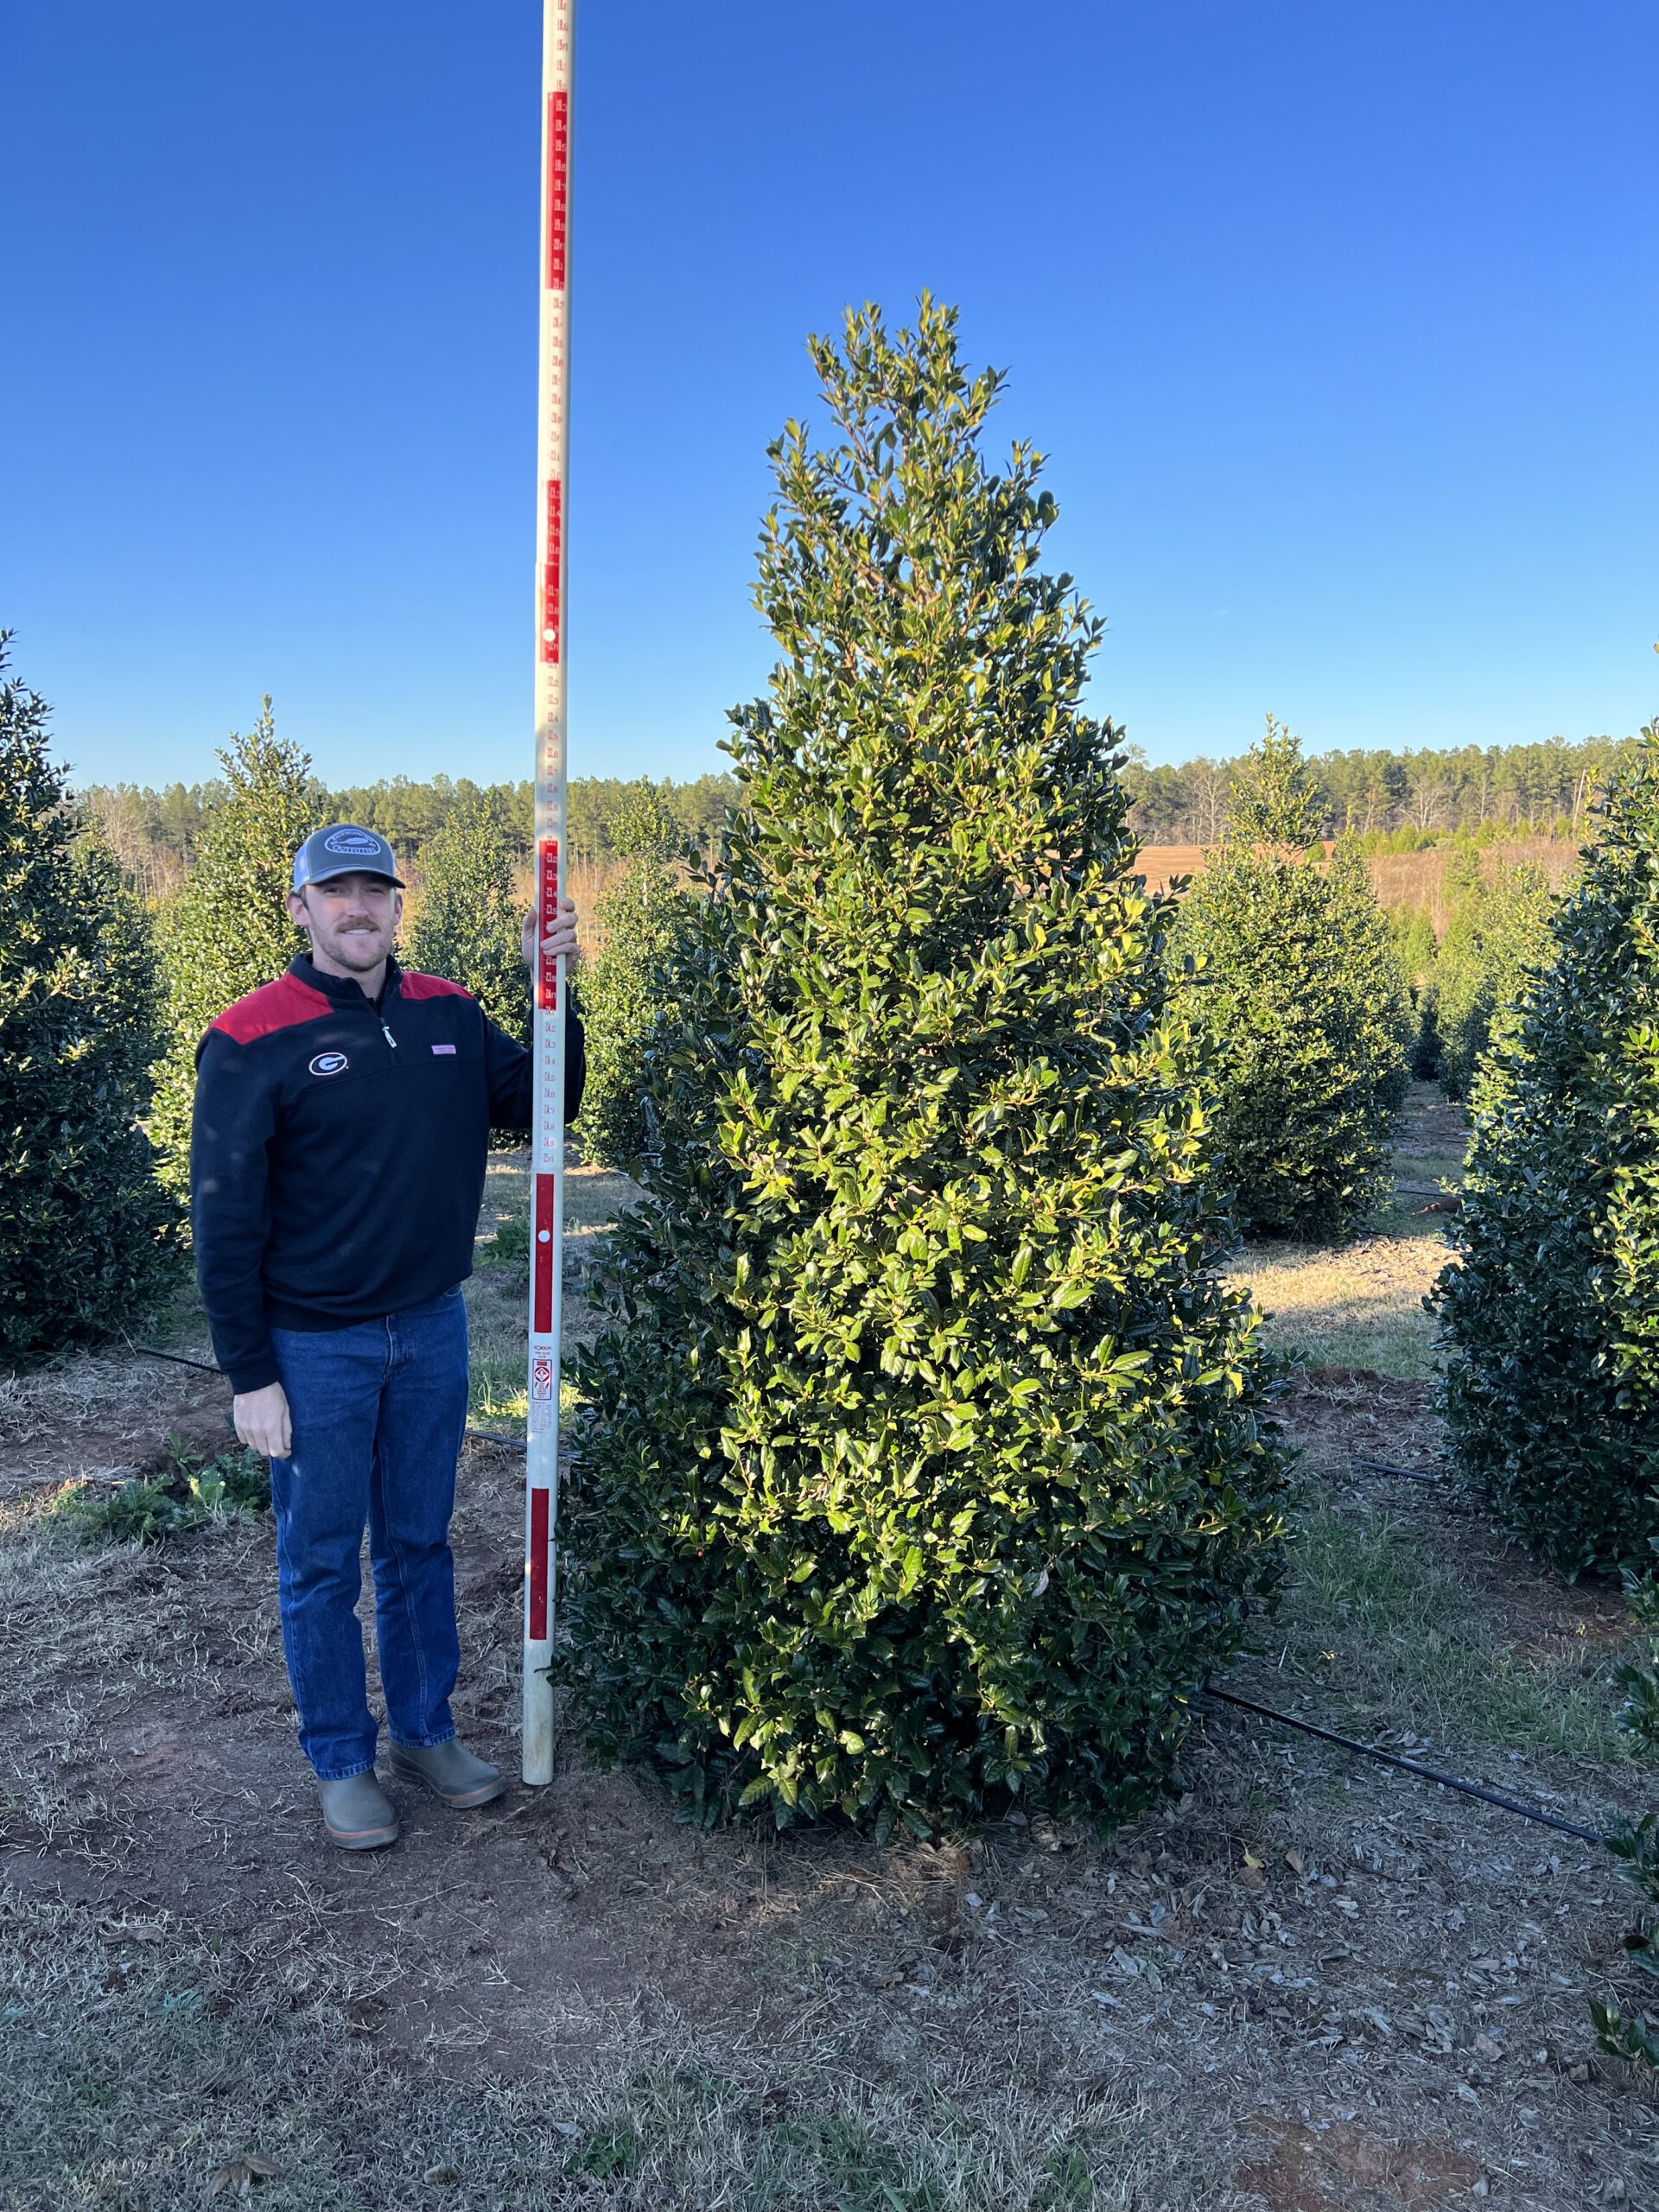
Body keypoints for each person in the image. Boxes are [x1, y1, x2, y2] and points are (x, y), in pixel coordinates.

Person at [190, 823, 582, 1850]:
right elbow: (224, 1219)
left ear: (397, 904)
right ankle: (341, 1759)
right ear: (301, 908)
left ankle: (424, 1730)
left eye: (375, 890)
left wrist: (557, 993)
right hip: (314, 1347)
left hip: (431, 1328)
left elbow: (546, 1102)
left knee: (419, 1542)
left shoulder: (449, 1011)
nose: (357, 908)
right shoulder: (249, 1037)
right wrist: (251, 1374)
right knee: (320, 1558)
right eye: (336, 892)